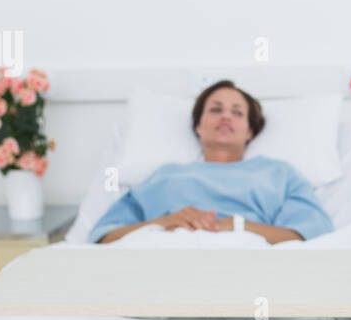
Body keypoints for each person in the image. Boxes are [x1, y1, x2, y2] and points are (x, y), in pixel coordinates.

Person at [89, 80, 333, 245]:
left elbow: (307, 239)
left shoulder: (278, 174)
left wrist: (235, 226)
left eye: (237, 112)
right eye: (216, 110)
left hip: (246, 256)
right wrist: (162, 222)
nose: (226, 116)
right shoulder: (165, 176)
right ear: (198, 126)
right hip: (166, 254)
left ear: (250, 132)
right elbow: (103, 239)